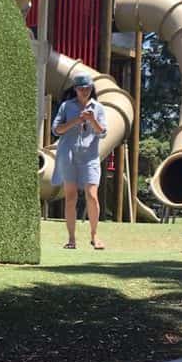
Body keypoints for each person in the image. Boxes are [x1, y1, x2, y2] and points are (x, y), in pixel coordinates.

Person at [52, 72, 107, 250]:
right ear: (75, 89)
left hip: (90, 156)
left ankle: (94, 235)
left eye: (88, 88)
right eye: (81, 88)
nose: (85, 91)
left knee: (92, 195)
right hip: (68, 155)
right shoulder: (66, 106)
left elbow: (103, 133)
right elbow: (56, 130)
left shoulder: (98, 108)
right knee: (71, 197)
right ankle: (71, 239)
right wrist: (76, 120)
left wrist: (92, 120)